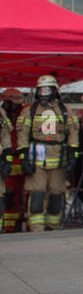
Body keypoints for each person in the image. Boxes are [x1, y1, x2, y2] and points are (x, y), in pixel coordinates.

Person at [16, 75, 79, 232]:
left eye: (47, 89)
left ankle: (53, 226)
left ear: (55, 90)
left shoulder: (65, 111)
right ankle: (37, 228)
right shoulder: (29, 111)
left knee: (56, 195)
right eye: (41, 89)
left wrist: (73, 154)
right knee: (36, 195)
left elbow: (73, 133)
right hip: (36, 160)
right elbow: (22, 134)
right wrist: (23, 158)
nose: (44, 93)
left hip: (59, 159)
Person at [1, 88, 25, 232]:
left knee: (29, 195)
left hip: (24, 159)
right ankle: (10, 227)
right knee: (9, 196)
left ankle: (31, 225)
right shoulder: (3, 115)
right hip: (10, 160)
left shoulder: (28, 112)